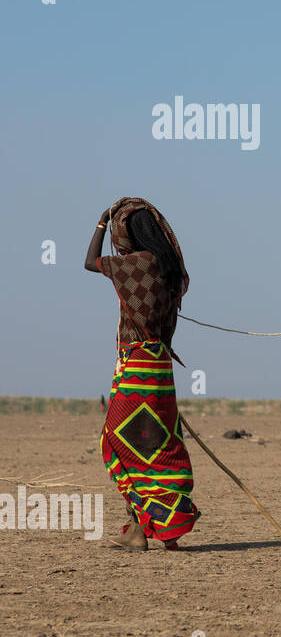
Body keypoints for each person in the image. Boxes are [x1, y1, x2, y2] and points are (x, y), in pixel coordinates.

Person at [84, 198, 200, 550]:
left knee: (116, 443)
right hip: (160, 368)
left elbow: (90, 263)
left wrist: (101, 222)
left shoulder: (138, 264)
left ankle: (145, 528)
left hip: (137, 368)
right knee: (155, 445)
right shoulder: (168, 266)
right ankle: (157, 529)